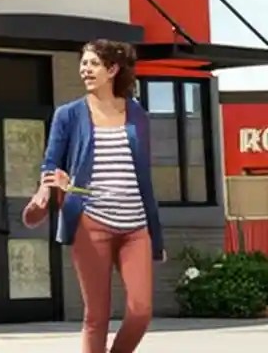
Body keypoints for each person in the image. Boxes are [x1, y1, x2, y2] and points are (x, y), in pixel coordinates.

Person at [23, 39, 165, 353]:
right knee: (96, 316)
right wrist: (50, 187)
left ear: (112, 69)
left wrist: (156, 234)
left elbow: (144, 177)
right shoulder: (68, 115)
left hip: (135, 225)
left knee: (141, 311)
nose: (85, 69)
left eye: (93, 64)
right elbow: (51, 163)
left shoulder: (137, 115)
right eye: (83, 63)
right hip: (92, 224)